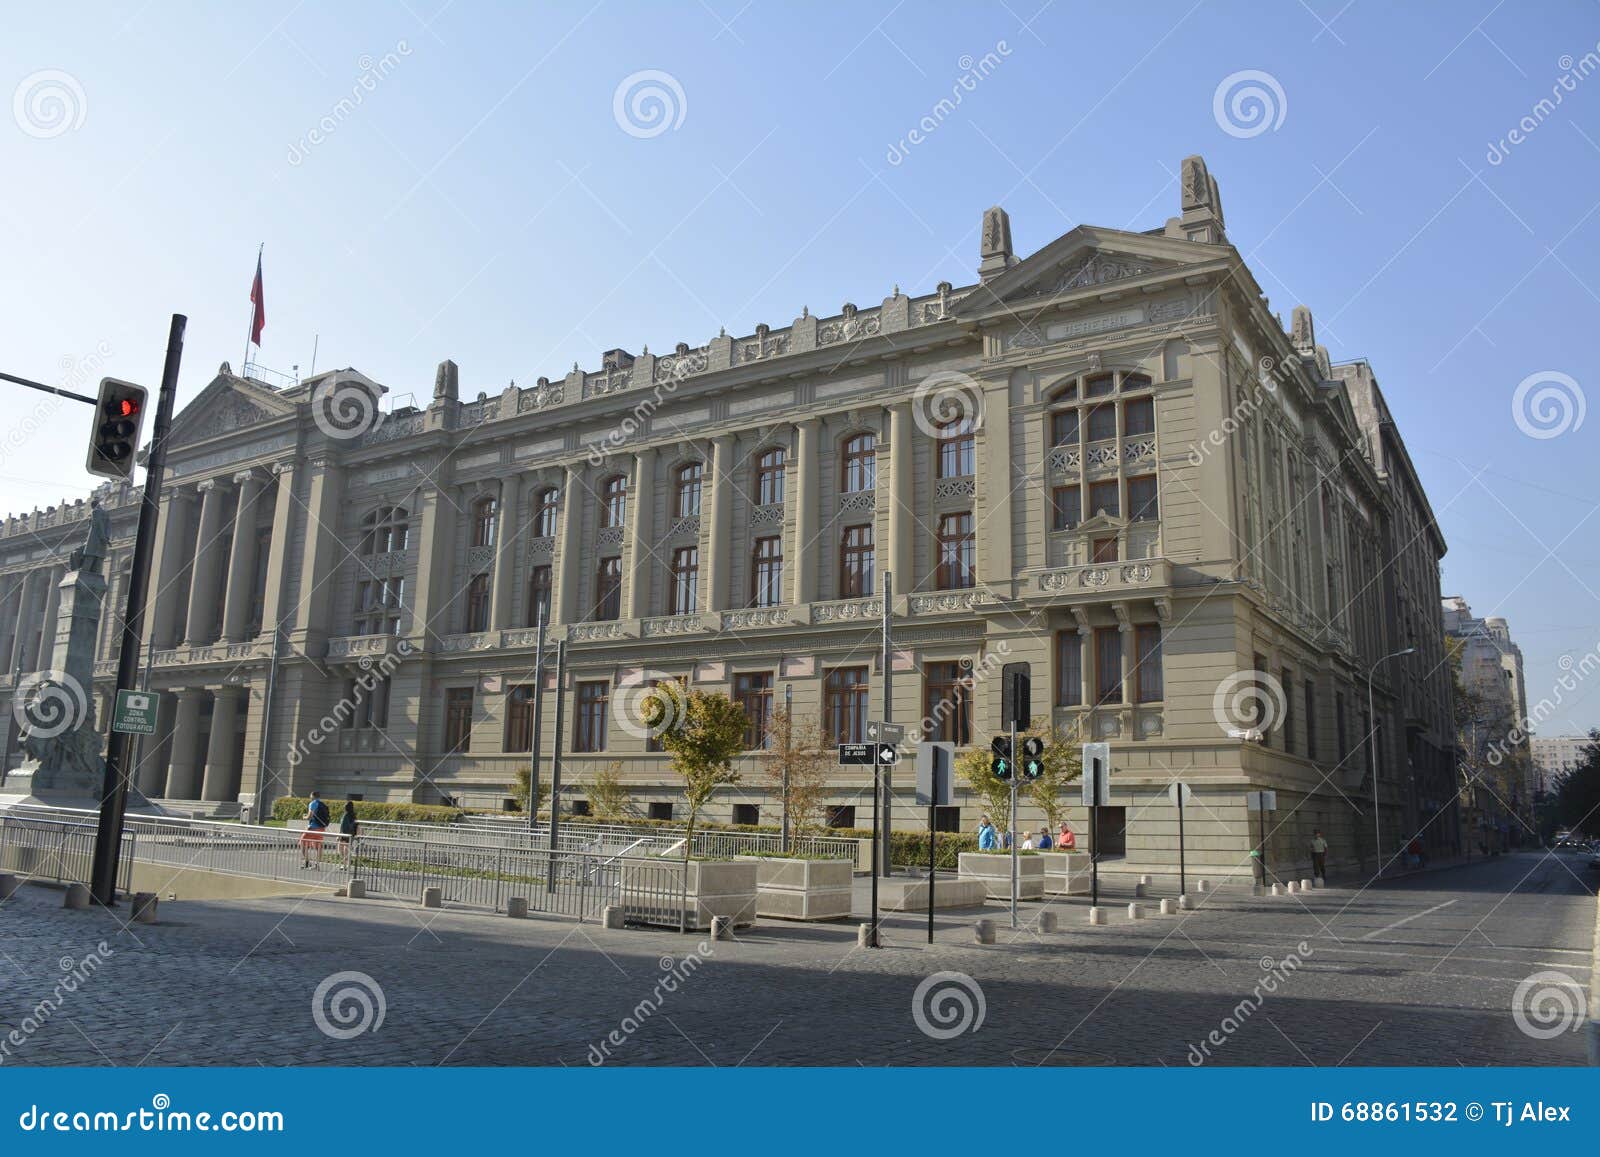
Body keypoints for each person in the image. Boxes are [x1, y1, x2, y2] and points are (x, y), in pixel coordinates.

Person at [302, 791, 331, 868]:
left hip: (313, 828)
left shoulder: (312, 803)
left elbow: (309, 816)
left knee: (302, 843)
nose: (310, 797)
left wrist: (304, 817)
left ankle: (307, 861)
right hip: (321, 828)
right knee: (318, 846)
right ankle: (317, 864)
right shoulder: (322, 804)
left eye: (310, 795)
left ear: (313, 796)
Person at [338, 799, 359, 864]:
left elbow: (342, 826)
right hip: (351, 834)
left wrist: (339, 835)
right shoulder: (354, 815)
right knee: (347, 848)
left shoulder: (345, 815)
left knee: (340, 848)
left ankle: (345, 862)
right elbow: (357, 825)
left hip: (344, 833)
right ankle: (347, 861)